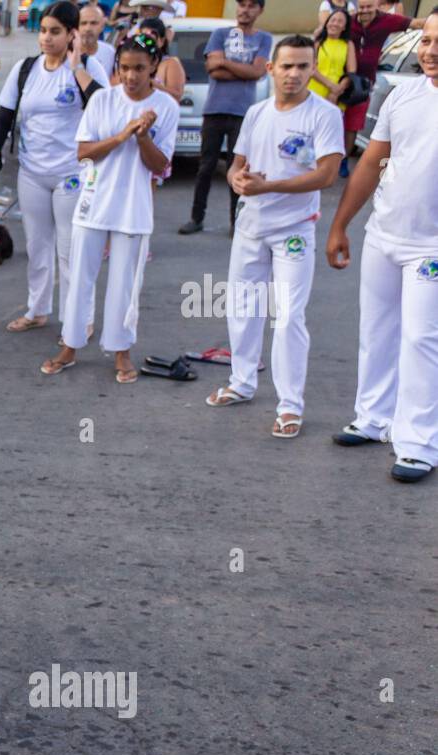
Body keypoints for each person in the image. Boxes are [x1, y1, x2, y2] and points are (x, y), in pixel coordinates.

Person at [205, 35, 344, 439]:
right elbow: (238, 165)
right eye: (287, 66)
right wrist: (238, 180)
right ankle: (242, 382)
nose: (294, 74)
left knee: (287, 318)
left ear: (312, 68)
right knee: (243, 306)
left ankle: (290, 406)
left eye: (303, 66)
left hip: (294, 230)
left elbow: (327, 174)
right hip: (251, 225)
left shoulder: (324, 115)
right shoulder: (257, 113)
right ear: (271, 69)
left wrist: (269, 188)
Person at [326, 10, 438, 483]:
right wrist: (340, 226)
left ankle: (418, 442)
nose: (430, 51)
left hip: (430, 249)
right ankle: (372, 418)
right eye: (427, 40)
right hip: (384, 236)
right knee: (376, 329)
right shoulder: (402, 94)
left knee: (420, 339)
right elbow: (371, 163)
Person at [40, 33, 179, 383]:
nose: (131, 76)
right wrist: (123, 135)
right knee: (79, 280)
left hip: (134, 207)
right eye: (125, 68)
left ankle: (121, 351)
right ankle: (70, 346)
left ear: (153, 69)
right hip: (93, 202)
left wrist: (144, 136)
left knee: (124, 284)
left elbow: (161, 166)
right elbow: (83, 152)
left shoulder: (166, 107)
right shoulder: (102, 100)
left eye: (140, 69)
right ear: (117, 67)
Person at [0, 1, 109, 334]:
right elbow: (4, 117)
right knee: (37, 247)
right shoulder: (26, 69)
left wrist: (78, 65)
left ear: (72, 35)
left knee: (69, 249)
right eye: (43, 31)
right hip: (32, 173)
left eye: (55, 32)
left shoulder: (88, 68)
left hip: (72, 173)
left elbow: (104, 108)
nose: (46, 38)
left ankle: (79, 317)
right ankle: (37, 310)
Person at [179, 0, 272, 235]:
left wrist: (226, 63)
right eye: (241, 4)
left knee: (237, 167)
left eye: (252, 6)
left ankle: (236, 221)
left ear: (260, 10)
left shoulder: (264, 38)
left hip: (243, 113)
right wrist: (243, 69)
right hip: (214, 110)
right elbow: (213, 68)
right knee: (205, 167)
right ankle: (196, 217)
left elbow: (258, 72)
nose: (245, 10)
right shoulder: (220, 34)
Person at [344, 0, 427, 145]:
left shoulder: (386, 20)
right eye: (361, 7)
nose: (364, 10)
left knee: (353, 125)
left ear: (377, 6)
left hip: (364, 83)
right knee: (334, 120)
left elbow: (418, 24)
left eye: (369, 7)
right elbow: (326, 31)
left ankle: (343, 163)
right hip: (341, 80)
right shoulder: (348, 21)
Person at [309, 6, 357, 177]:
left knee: (328, 134)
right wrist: (331, 87)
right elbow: (311, 69)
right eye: (332, 19)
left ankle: (322, 172)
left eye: (340, 21)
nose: (335, 23)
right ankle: (306, 167)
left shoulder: (348, 44)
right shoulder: (317, 42)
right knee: (310, 132)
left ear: (345, 26)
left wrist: (337, 90)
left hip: (336, 96)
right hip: (314, 92)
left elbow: (351, 72)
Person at [112, 16, 184, 101]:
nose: (147, 43)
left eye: (151, 40)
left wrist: (150, 83)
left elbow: (176, 96)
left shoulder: (170, 63)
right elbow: (114, 89)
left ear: (162, 41)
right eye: (143, 39)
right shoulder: (128, 61)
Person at [78, 1, 117, 77]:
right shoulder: (66, 52)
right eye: (83, 23)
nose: (88, 28)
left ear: (102, 26)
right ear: (77, 27)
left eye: (93, 23)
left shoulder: (110, 52)